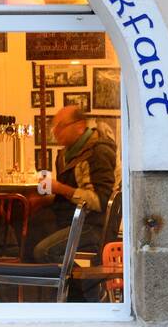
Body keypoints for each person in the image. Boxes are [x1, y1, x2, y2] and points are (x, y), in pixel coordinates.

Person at [28, 105, 117, 264]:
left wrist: (59, 188)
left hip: (91, 225)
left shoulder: (97, 153)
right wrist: (42, 201)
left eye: (61, 126)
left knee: (43, 251)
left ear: (80, 127)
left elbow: (99, 201)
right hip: (68, 220)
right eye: (54, 127)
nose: (55, 132)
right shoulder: (64, 155)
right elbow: (68, 195)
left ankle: (82, 287)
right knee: (30, 232)